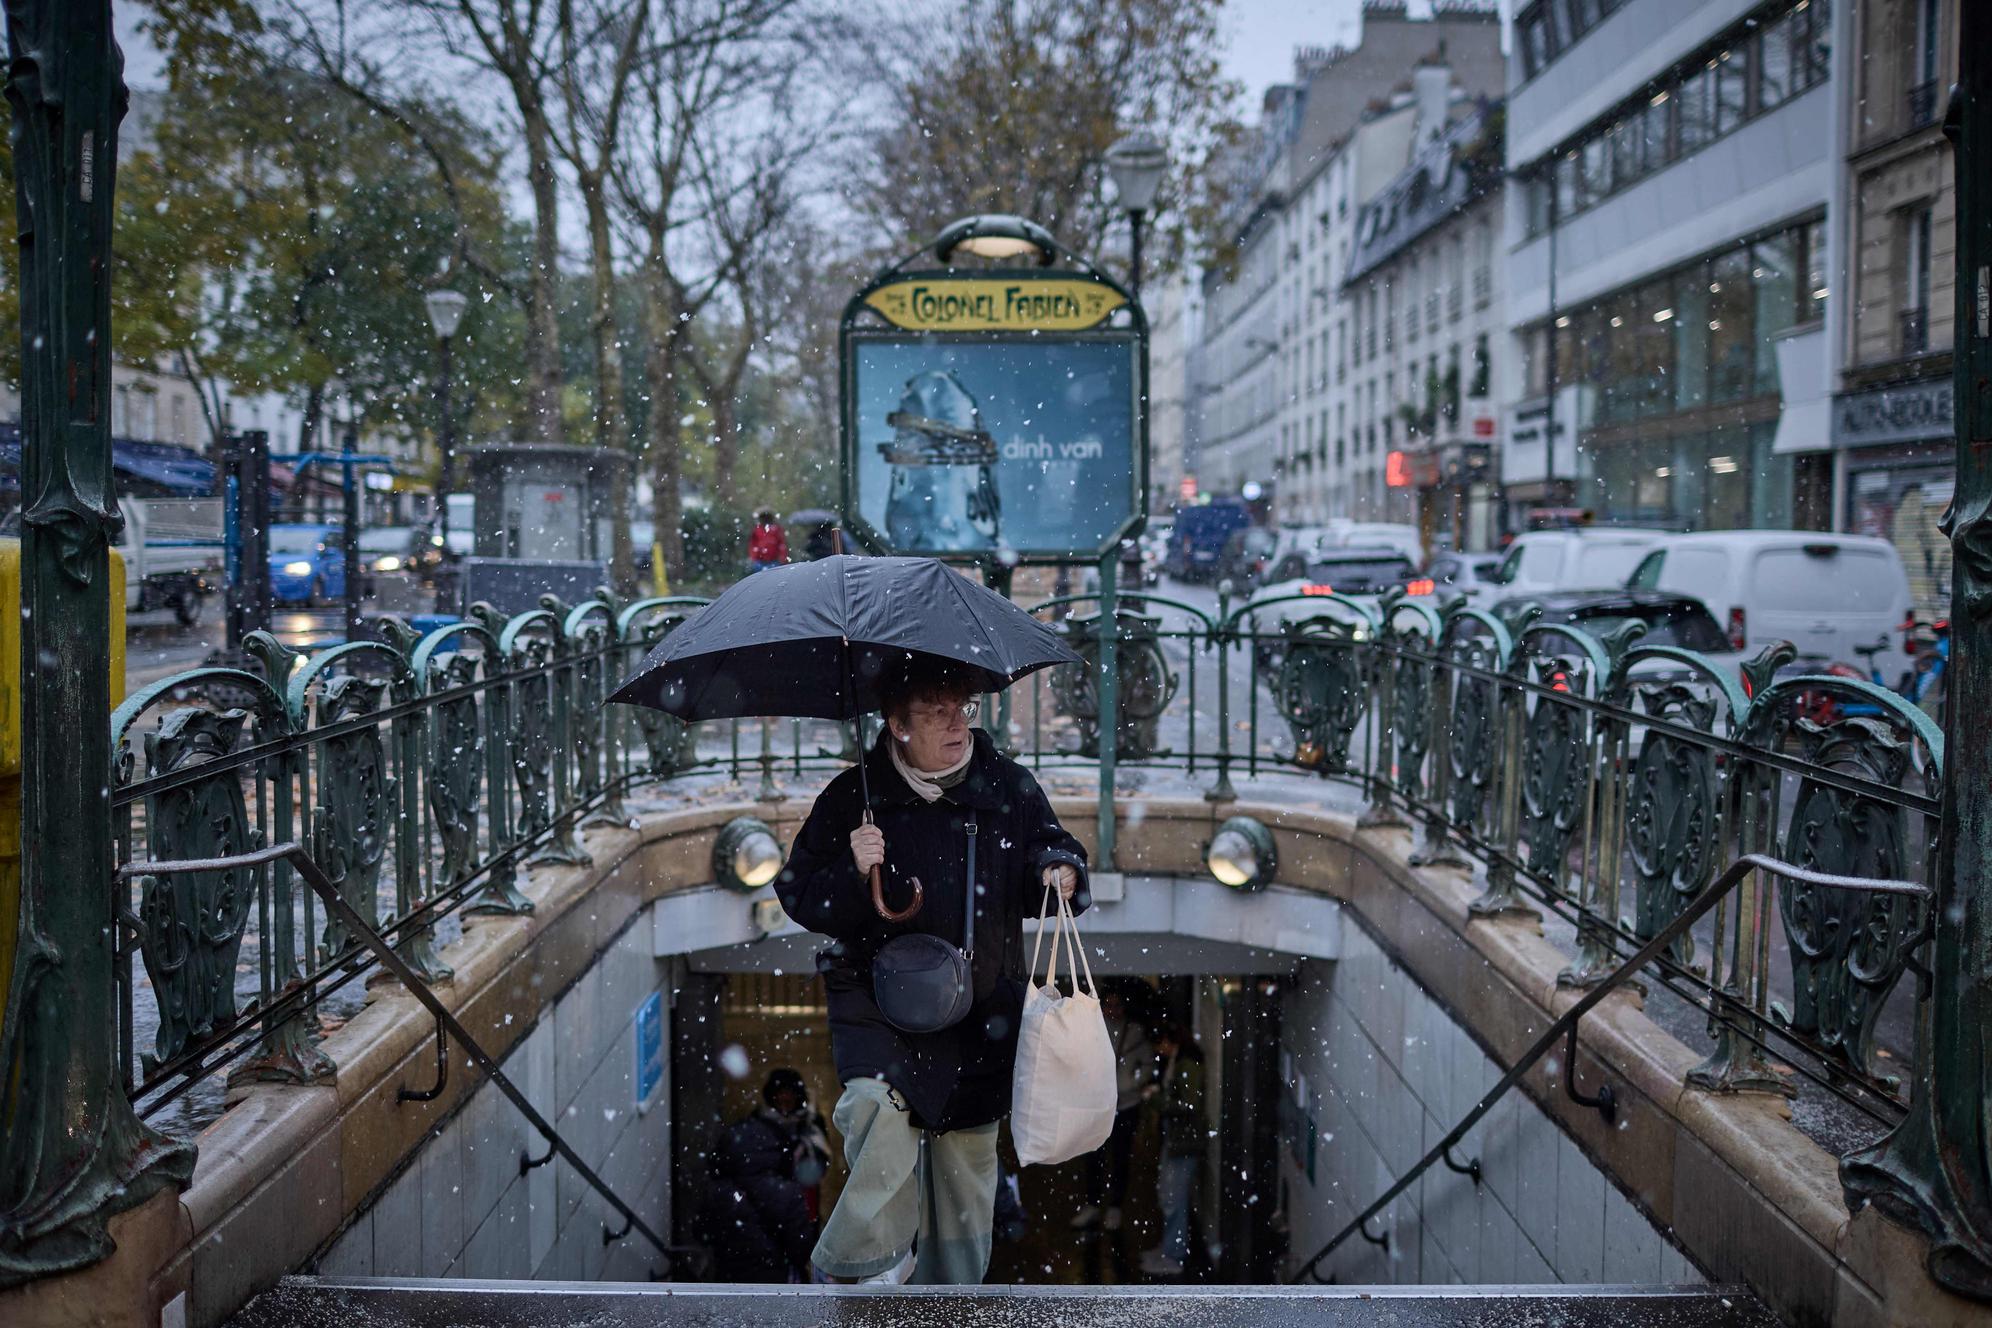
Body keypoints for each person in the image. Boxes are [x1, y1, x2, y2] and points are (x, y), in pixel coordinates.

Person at [777, 659, 1089, 1285]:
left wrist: (1059, 868)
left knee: (964, 1168)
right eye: (938, 713)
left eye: (965, 709)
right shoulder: (854, 797)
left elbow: (1051, 849)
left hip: (980, 1005)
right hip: (877, 997)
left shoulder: (1008, 786)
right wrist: (850, 866)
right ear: (896, 724)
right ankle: (861, 1271)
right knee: (875, 1108)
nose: (958, 725)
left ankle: (951, 1300)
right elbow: (800, 896)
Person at [704, 1071, 822, 1283]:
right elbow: (801, 1246)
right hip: (777, 1275)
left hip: (732, 1279)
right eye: (780, 1096)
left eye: (790, 1096)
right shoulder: (786, 1195)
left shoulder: (720, 1192)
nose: (785, 1102)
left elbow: (702, 1232)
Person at [1070, 988, 1152, 1233]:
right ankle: (1093, 1204)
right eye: (1109, 1005)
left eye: (1117, 1005)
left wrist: (1131, 1083)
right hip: (1098, 1104)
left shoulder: (1135, 1032)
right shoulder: (1094, 1029)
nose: (1112, 1011)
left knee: (1120, 1156)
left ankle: (1115, 1206)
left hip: (1126, 1104)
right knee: (1094, 1155)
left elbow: (1147, 1063)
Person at [1140, 1021, 1206, 1278]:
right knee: (1169, 1193)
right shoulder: (1181, 1061)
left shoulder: (1186, 1064)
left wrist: (1155, 1098)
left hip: (1183, 1141)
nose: (1158, 1050)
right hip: (1178, 1139)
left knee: (1173, 1196)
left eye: (1160, 1044)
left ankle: (1174, 1254)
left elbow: (1188, 1105)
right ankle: (1169, 1248)